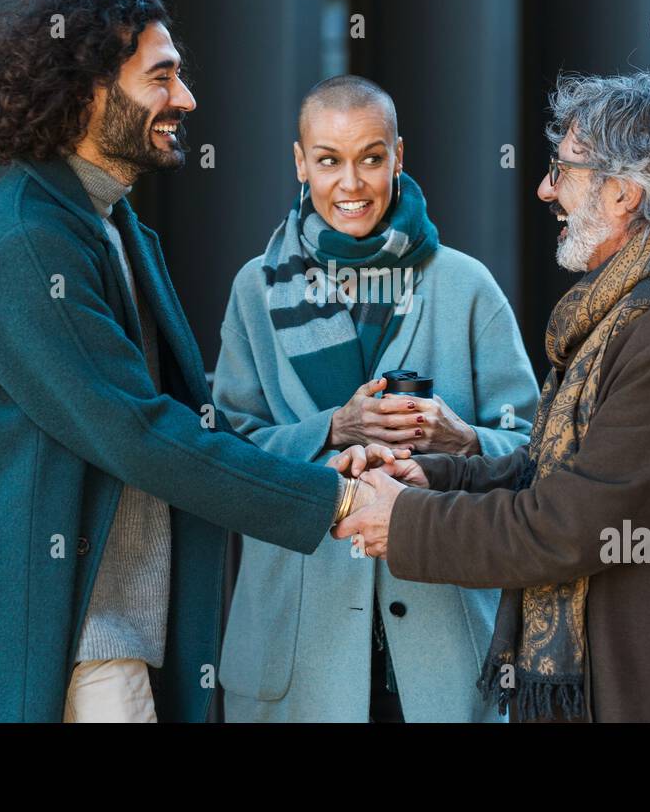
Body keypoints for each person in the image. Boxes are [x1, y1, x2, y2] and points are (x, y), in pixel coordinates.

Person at [0, 0, 376, 723]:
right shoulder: (26, 248)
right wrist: (334, 501)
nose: (186, 99)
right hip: (73, 650)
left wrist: (323, 451)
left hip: (120, 638)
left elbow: (184, 416)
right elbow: (139, 433)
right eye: (161, 77)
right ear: (87, 91)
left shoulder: (111, 227)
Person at [336, 71, 650, 723]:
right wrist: (432, 474)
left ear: (623, 193)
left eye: (562, 169)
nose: (545, 188)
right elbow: (565, 477)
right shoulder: (640, 305)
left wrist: (404, 520)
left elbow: (568, 526)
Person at [213, 76, 539, 722]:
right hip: (297, 650)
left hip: (444, 650)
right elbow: (223, 454)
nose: (351, 184)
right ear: (300, 162)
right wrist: (333, 427)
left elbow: (537, 449)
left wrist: (462, 439)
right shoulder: (257, 289)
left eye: (370, 157)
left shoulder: (465, 285)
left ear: (398, 155)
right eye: (329, 160)